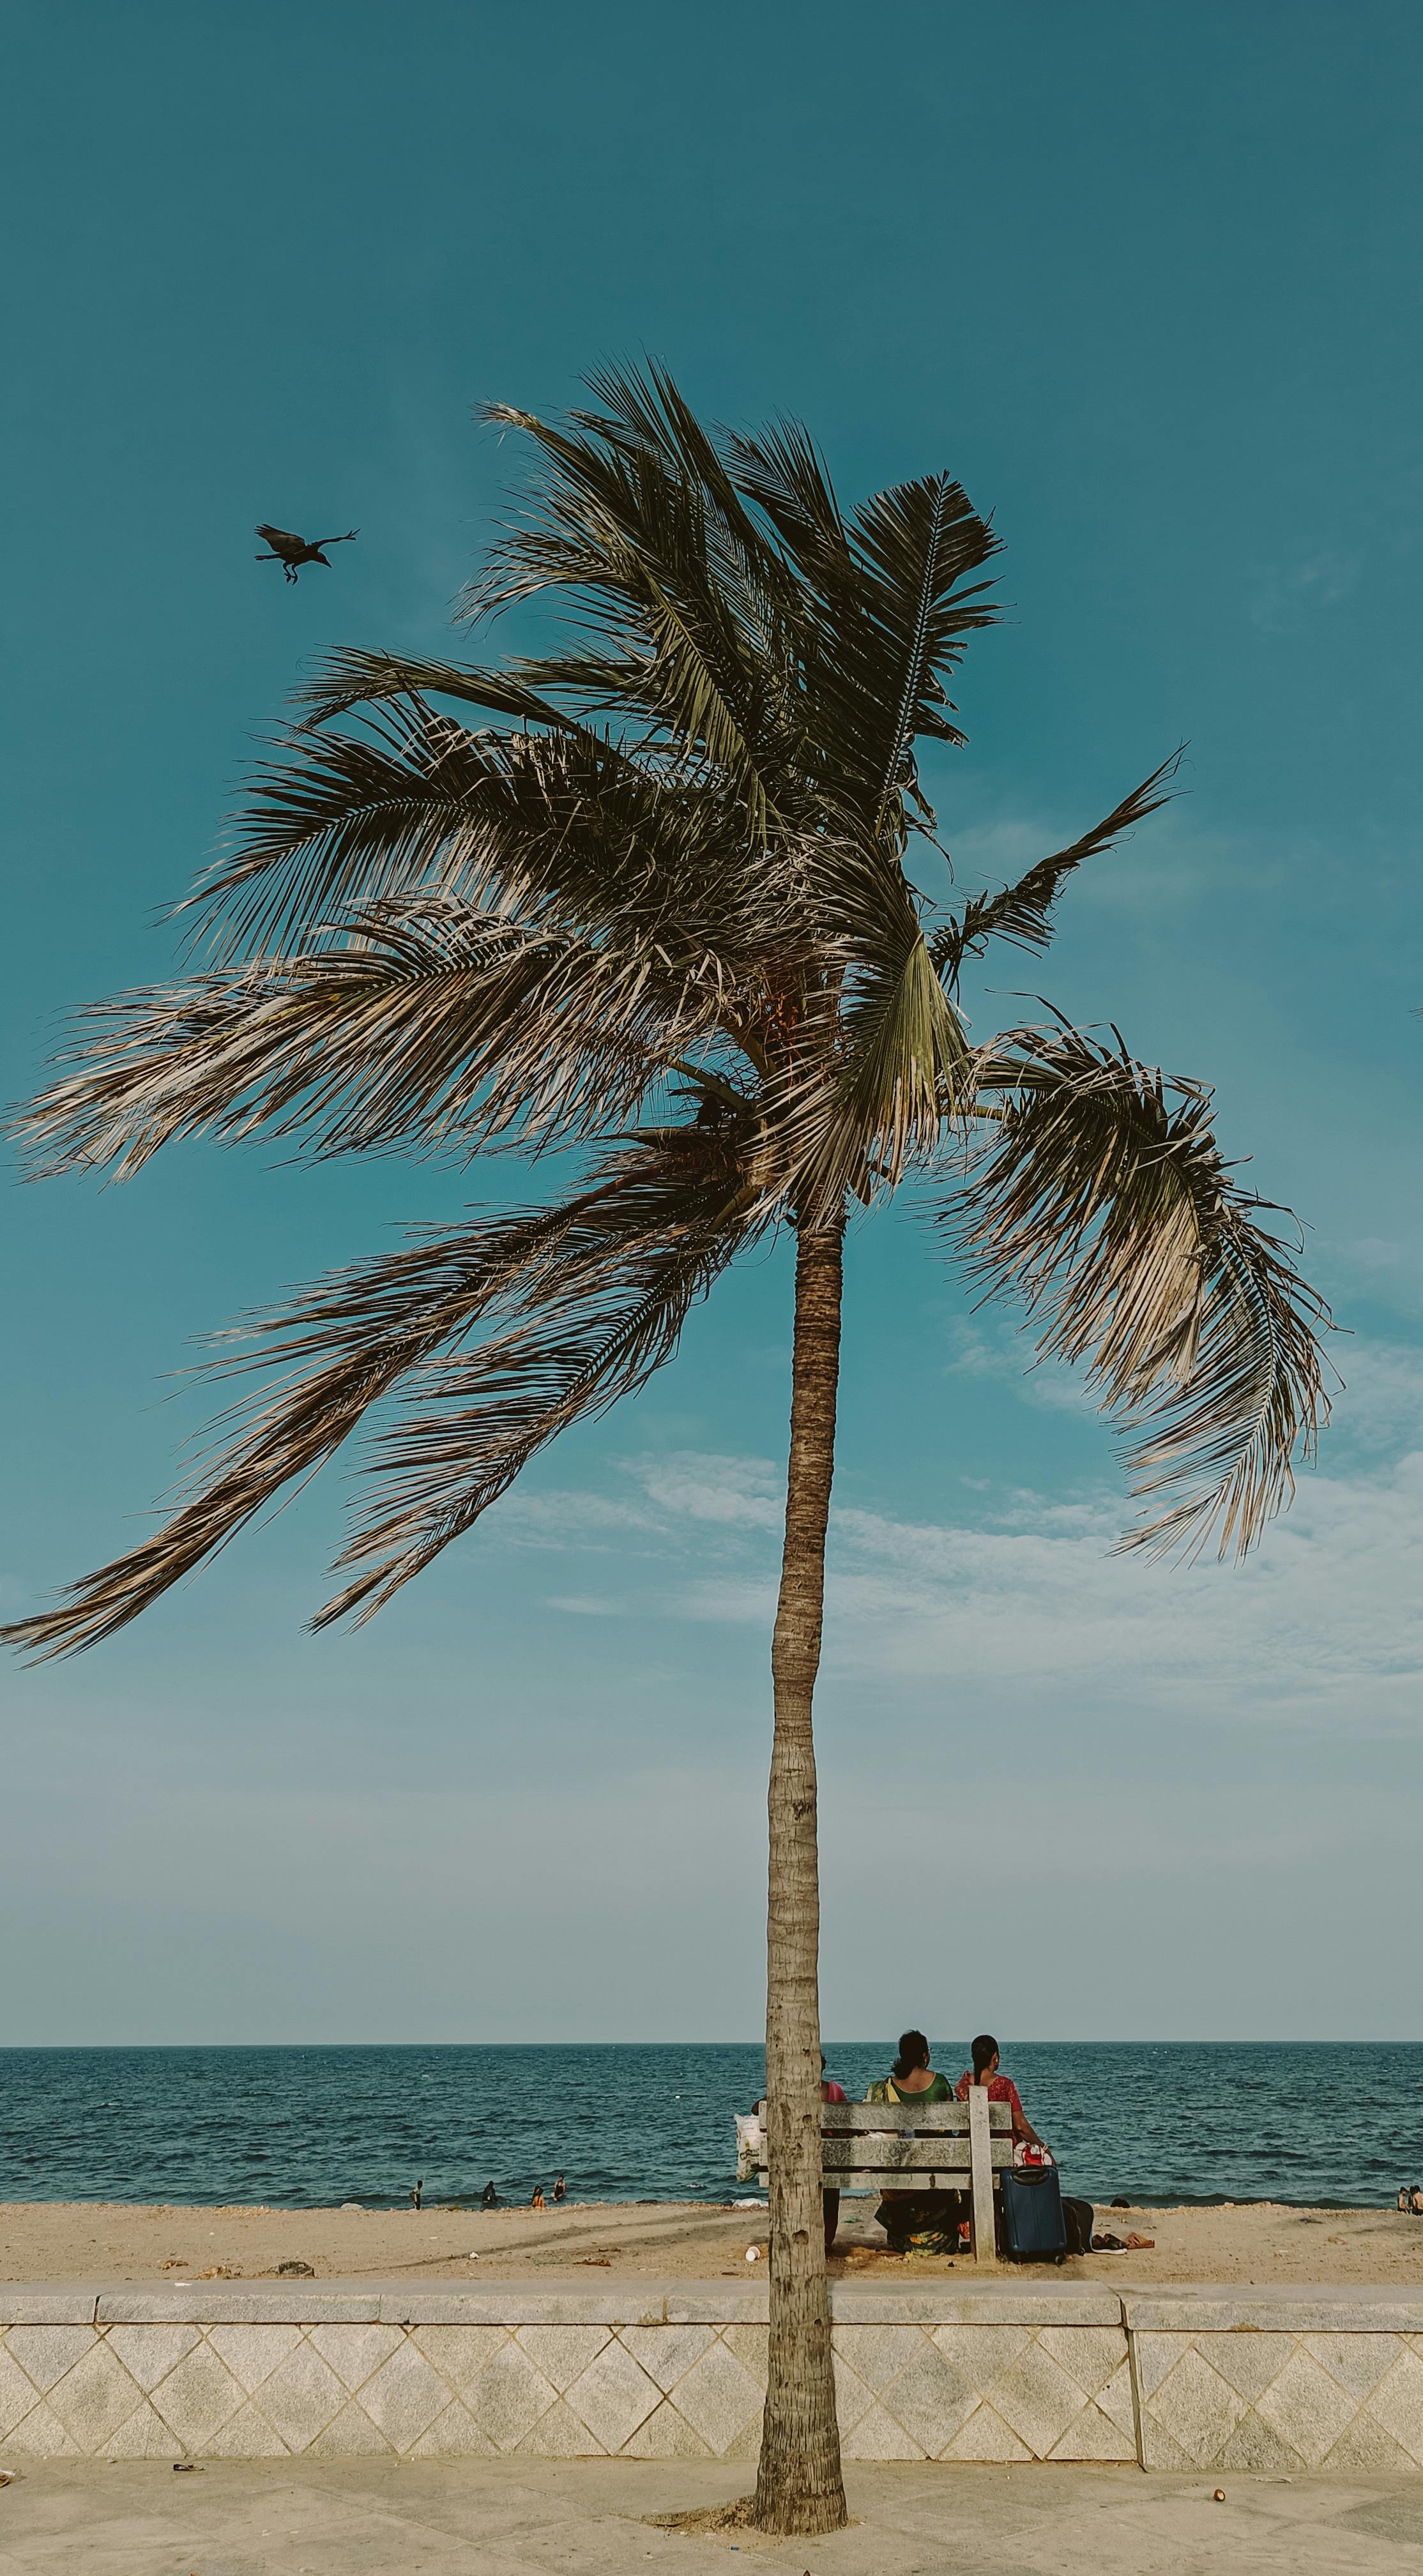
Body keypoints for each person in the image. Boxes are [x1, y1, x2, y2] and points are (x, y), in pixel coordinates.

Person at [864, 2030, 963, 2254]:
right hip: (931, 2178)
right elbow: (947, 2132)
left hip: (895, 2181)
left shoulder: (882, 2089)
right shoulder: (939, 2083)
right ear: (925, 2057)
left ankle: (903, 2235)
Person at [954, 2034, 1047, 2150]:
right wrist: (1044, 2147)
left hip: (969, 2150)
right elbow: (1020, 2127)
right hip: (1002, 2152)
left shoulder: (962, 2085)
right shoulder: (1004, 2085)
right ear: (995, 2058)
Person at [821, 2055, 848, 2255]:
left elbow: (755, 2109)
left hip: (797, 2160)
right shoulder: (834, 2090)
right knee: (831, 2193)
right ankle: (827, 2240)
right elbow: (846, 2123)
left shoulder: (788, 2091)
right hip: (829, 2161)